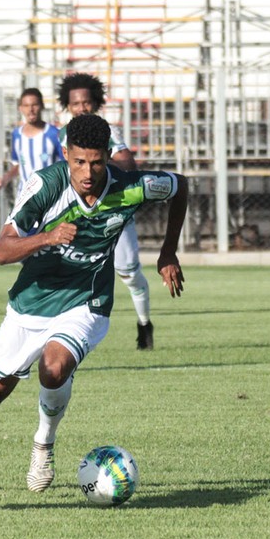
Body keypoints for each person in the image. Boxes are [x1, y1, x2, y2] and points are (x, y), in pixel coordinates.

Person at [0, 114, 187, 496]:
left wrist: (168, 251)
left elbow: (180, 186)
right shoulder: (45, 185)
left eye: (97, 162)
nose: (88, 172)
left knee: (55, 367)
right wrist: (47, 237)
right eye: (79, 162)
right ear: (66, 155)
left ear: (108, 156)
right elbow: (2, 251)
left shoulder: (131, 187)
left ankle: (43, 444)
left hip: (86, 300)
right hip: (33, 300)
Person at [57, 72, 156, 350]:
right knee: (72, 271)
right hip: (80, 214)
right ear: (68, 106)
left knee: (129, 273)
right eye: (75, 103)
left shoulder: (107, 132)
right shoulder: (63, 135)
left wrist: (100, 166)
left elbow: (128, 165)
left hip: (114, 212)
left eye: (86, 102)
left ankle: (144, 322)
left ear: (96, 103)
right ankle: (67, 334)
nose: (81, 108)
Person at [0, 88, 64, 196]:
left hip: (50, 197)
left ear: (42, 106)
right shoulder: (17, 135)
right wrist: (4, 179)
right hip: (25, 197)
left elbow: (65, 164)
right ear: (20, 108)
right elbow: (19, 165)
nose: (30, 109)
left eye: (34, 105)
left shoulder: (54, 133)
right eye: (26, 105)